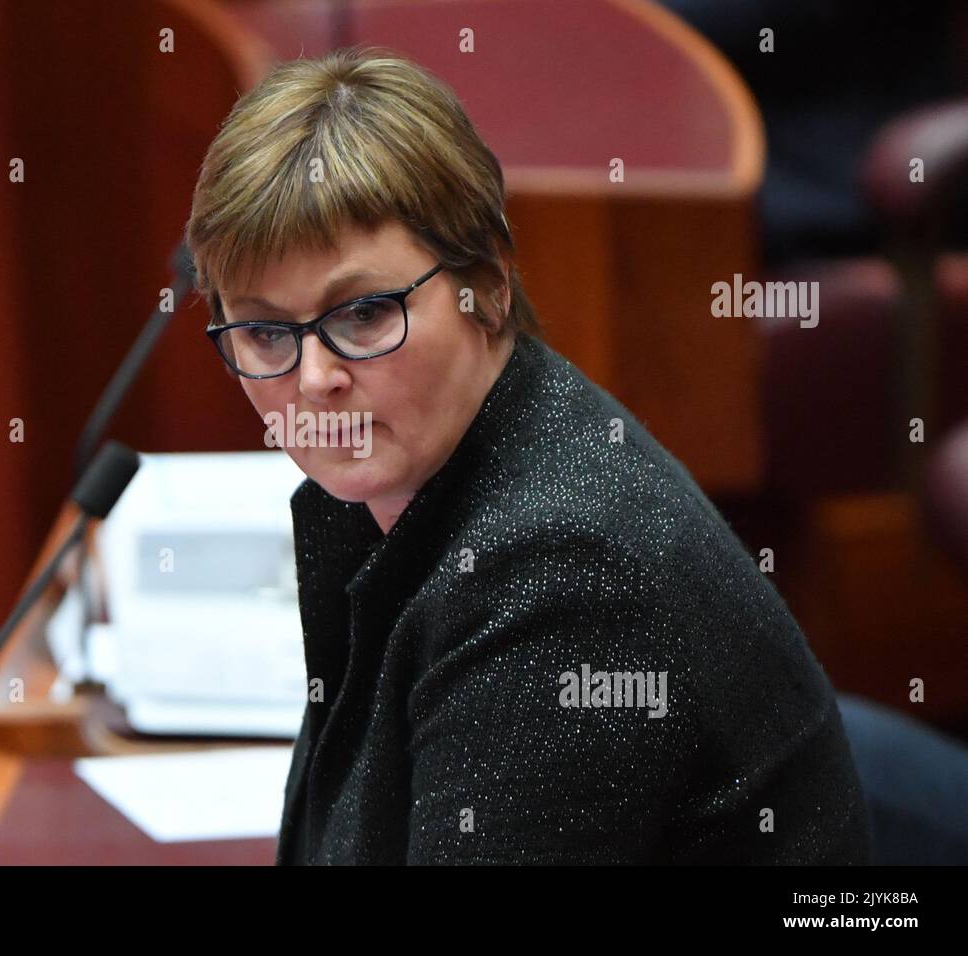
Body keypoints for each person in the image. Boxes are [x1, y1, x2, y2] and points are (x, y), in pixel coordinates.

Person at [184, 46, 870, 864]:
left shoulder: (561, 578)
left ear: (489, 283)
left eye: (364, 314)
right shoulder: (401, 487)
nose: (313, 379)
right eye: (265, 332)